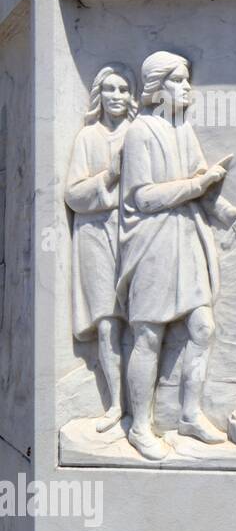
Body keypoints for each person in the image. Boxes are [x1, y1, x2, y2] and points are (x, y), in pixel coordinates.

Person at [117, 50, 236, 459]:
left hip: (187, 240)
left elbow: (201, 185)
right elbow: (144, 197)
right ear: (157, 89)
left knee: (202, 329)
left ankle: (190, 414)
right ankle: (140, 425)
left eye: (188, 80)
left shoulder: (183, 131)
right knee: (147, 335)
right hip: (153, 244)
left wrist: (227, 214)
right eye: (179, 80)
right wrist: (197, 185)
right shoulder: (140, 132)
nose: (187, 88)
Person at [65, 63, 136, 432]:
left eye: (124, 90)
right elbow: (73, 194)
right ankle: (115, 406)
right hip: (96, 236)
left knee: (142, 320)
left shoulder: (140, 134)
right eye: (110, 90)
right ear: (99, 95)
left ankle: (143, 410)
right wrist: (109, 176)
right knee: (109, 323)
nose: (117, 97)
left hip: (135, 235)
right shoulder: (87, 138)